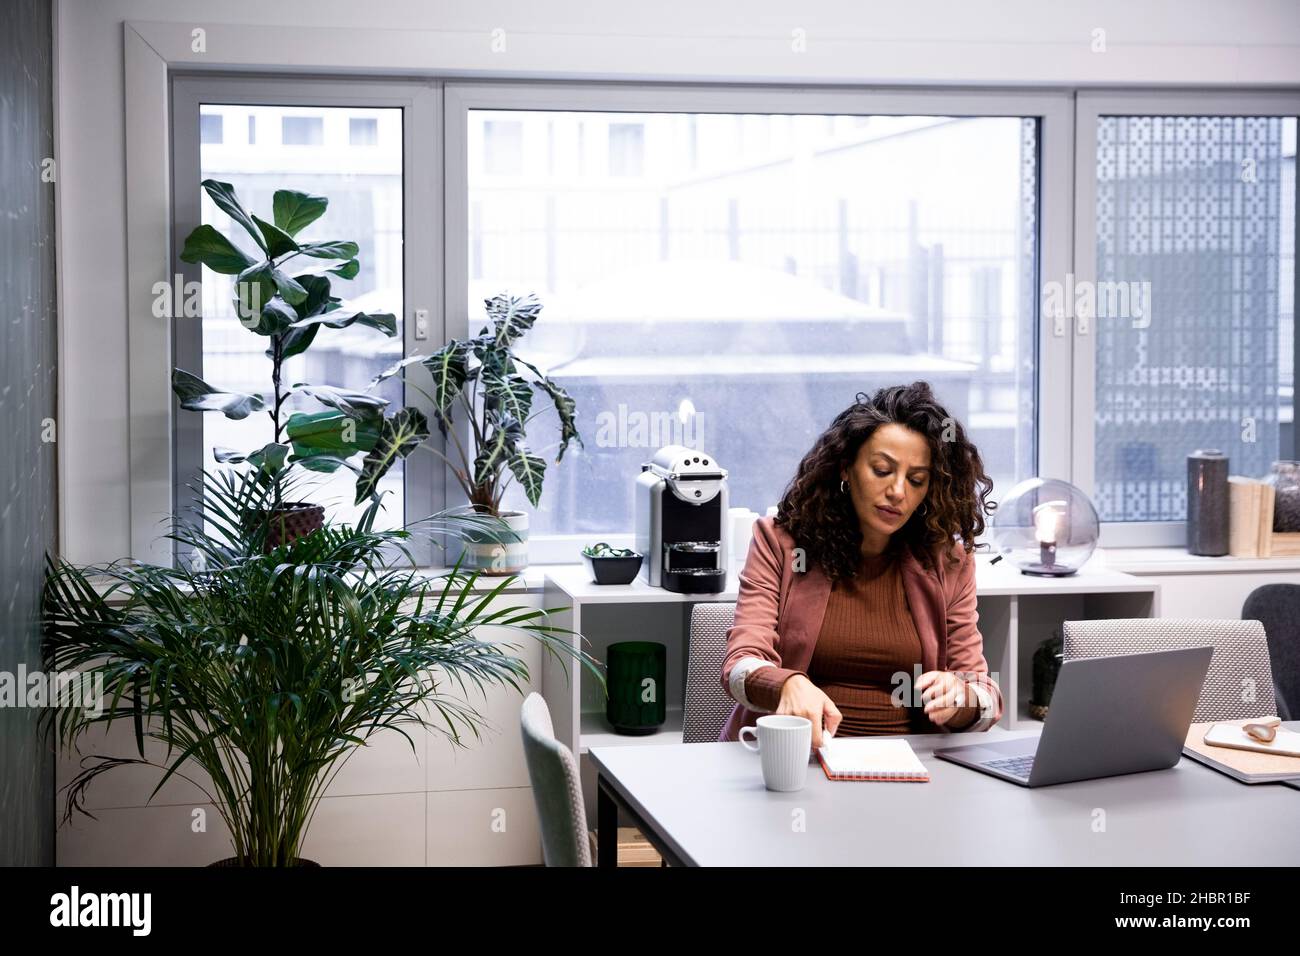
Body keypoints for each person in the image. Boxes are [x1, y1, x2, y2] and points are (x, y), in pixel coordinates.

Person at [720, 381, 1004, 747]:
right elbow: (740, 665)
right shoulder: (780, 543)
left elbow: (984, 694)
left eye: (916, 480)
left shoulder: (947, 560)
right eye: (882, 470)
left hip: (912, 767)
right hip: (797, 757)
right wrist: (785, 683)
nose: (898, 491)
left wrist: (963, 699)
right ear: (845, 469)